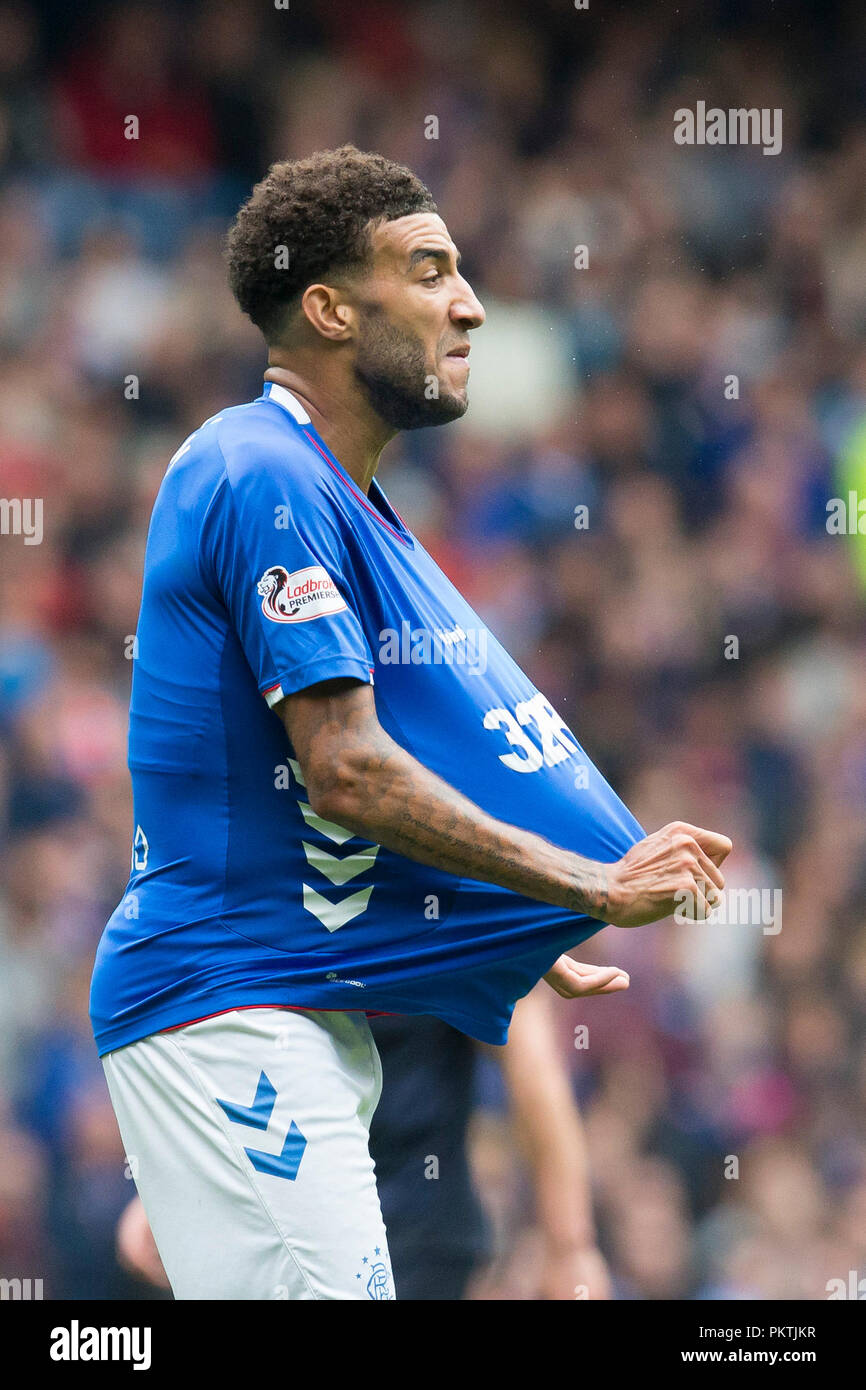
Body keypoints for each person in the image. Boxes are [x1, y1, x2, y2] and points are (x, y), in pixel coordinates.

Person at [90, 145, 731, 1300]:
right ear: (329, 307)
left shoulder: (348, 502)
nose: (469, 304)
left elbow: (376, 775)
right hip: (228, 1008)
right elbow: (344, 771)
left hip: (293, 1018)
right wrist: (575, 883)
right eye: (429, 270)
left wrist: (508, 916)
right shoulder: (257, 467)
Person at [116, 984, 616, 1300]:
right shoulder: (281, 874)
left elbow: (531, 1059)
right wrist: (177, 1183)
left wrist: (570, 1245)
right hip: (285, 1224)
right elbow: (243, 1058)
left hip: (416, 1237)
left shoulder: (452, 881)